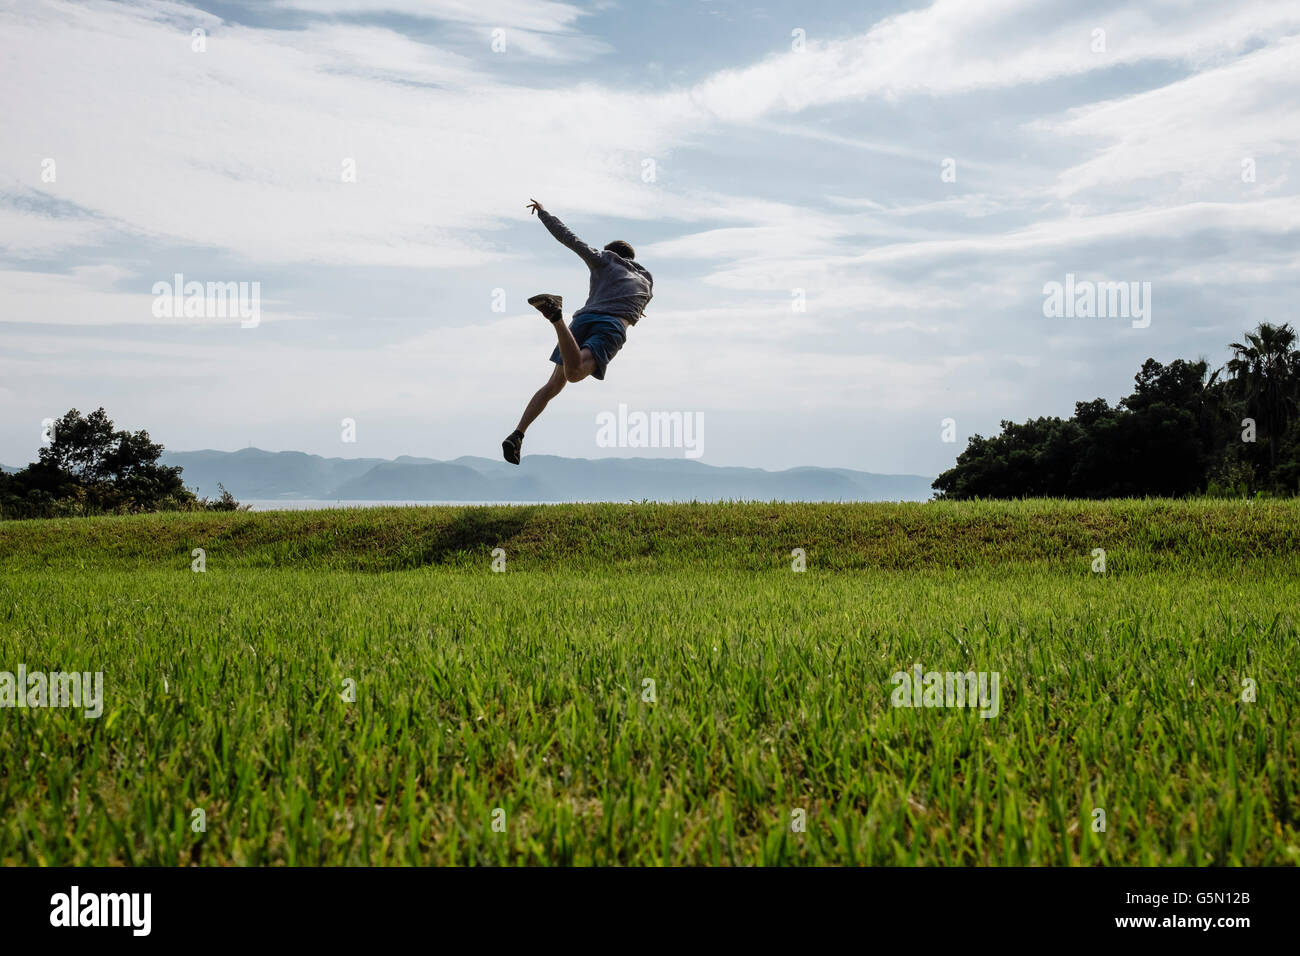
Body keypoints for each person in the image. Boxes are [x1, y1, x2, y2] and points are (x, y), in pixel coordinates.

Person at [502, 199, 654, 465]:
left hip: (583, 320)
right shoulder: (646, 280)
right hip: (611, 326)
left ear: (610, 252)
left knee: (554, 384)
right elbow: (639, 306)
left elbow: (570, 238)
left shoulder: (603, 260)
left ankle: (518, 434)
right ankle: (555, 317)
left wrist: (543, 213)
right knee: (574, 375)